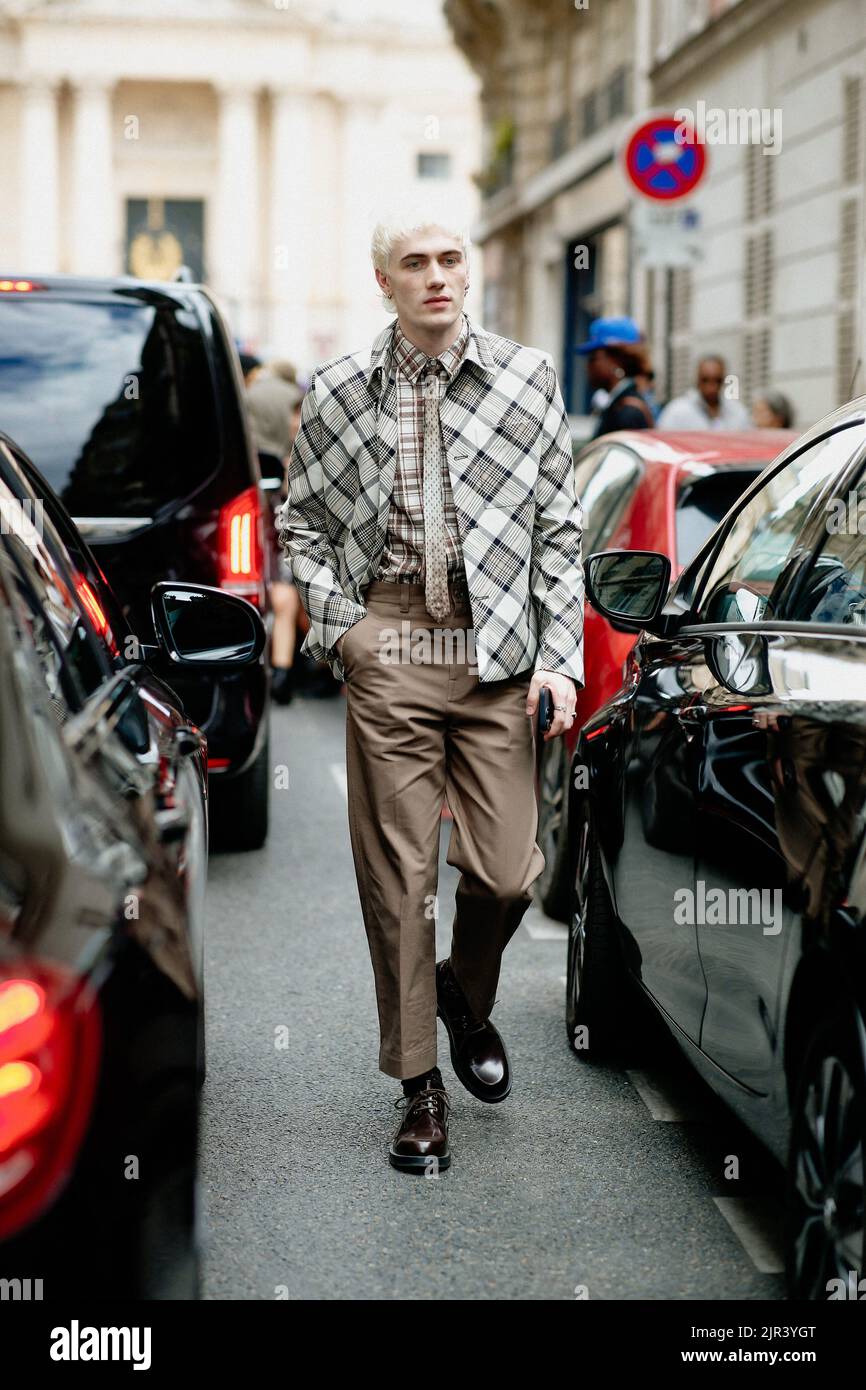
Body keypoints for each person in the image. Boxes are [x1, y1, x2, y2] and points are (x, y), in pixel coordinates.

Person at [276, 208, 584, 1173]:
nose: (438, 276)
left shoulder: (528, 379)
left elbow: (560, 531)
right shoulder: (336, 392)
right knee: (399, 882)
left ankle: (464, 994)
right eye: (416, 263)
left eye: (451, 259)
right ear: (386, 282)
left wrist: (561, 658)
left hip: (496, 651)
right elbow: (301, 528)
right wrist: (350, 633)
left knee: (506, 871)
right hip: (391, 646)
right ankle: (420, 1089)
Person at [575, 316, 655, 437]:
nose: (588, 366)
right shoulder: (618, 404)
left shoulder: (627, 412)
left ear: (616, 361)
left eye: (593, 358)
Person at [657, 354, 751, 430]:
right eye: (705, 380)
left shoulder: (737, 412)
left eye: (717, 380)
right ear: (697, 379)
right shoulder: (677, 412)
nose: (711, 387)